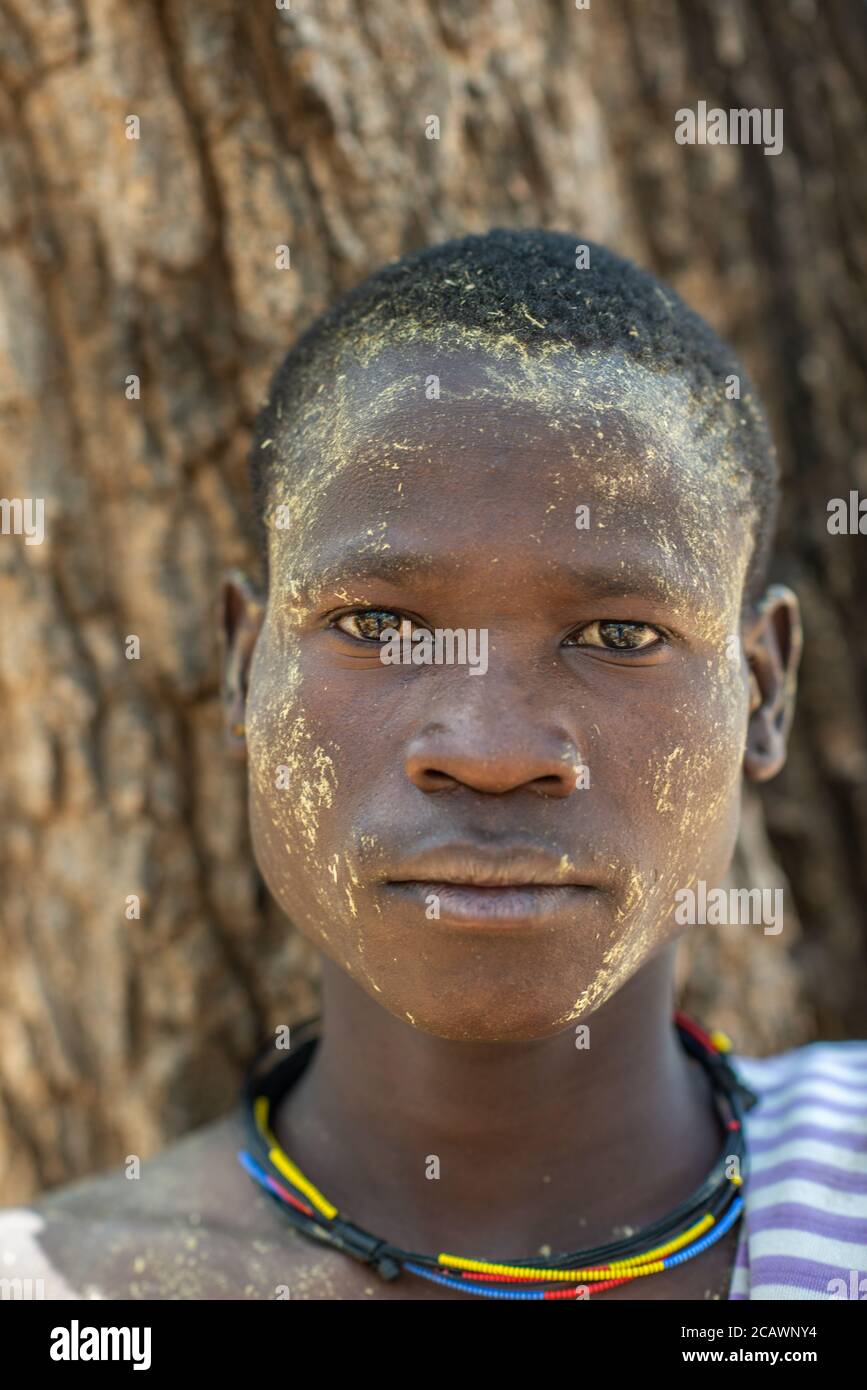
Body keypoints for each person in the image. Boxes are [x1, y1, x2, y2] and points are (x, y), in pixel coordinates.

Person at [2, 229, 865, 1301]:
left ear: (765, 691)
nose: (494, 752)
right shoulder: (59, 1297)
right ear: (242, 671)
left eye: (619, 635)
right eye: (377, 621)